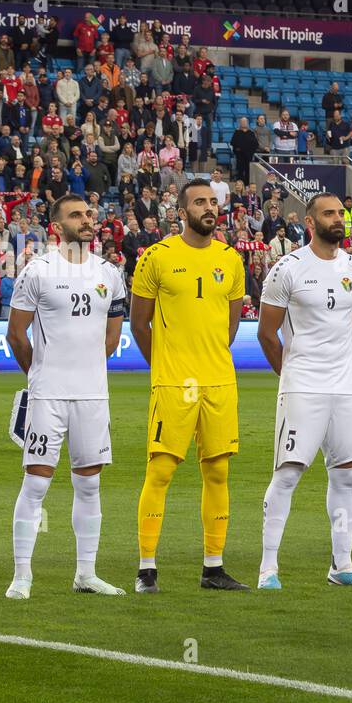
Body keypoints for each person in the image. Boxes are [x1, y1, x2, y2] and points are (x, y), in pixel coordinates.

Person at [4, 194, 127, 599]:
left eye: (90, 214)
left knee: (90, 486)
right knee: (36, 483)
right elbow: (16, 335)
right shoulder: (37, 271)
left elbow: (112, 336)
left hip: (93, 396)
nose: (87, 220)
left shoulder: (109, 272)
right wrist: (41, 375)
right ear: (56, 226)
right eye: (77, 215)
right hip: (48, 396)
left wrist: (87, 368)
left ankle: (85, 574)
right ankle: (22, 575)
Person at [129, 179, 249, 592]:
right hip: (174, 382)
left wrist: (208, 356)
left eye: (213, 202)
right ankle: (147, 568)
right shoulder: (156, 257)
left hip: (219, 380)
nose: (208, 208)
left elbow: (230, 326)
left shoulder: (231, 259)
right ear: (182, 212)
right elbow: (138, 323)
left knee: (218, 472)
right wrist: (165, 365)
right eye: (199, 202)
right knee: (160, 470)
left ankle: (213, 568)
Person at [255, 193, 352, 589]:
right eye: (329, 213)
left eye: (341, 213)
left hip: (345, 387)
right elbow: (266, 332)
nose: (338, 219)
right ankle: (268, 568)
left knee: (346, 475)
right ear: (311, 223)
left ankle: (342, 565)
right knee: (289, 472)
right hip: (303, 386)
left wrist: (336, 365)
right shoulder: (287, 268)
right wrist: (291, 374)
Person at [229, 117, 259, 184]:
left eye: (245, 122)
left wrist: (250, 150)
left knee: (248, 170)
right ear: (240, 123)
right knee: (240, 170)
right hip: (240, 155)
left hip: (249, 155)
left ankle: (247, 184)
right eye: (242, 122)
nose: (243, 123)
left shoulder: (251, 132)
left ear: (247, 123)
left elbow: (255, 144)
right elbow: (233, 142)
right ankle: (240, 184)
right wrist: (238, 149)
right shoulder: (237, 132)